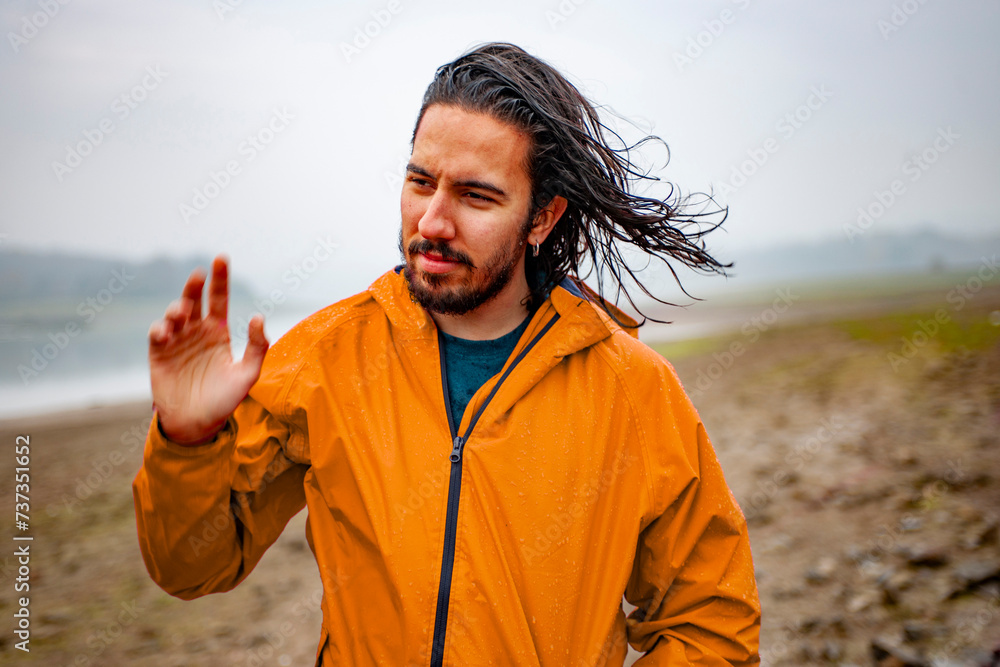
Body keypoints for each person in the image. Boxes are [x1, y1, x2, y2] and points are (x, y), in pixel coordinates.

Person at [133, 42, 760, 666]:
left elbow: (712, 622)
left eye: (475, 196)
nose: (432, 221)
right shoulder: (327, 357)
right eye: (420, 182)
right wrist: (188, 443)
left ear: (542, 218)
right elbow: (190, 568)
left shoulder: (631, 388)